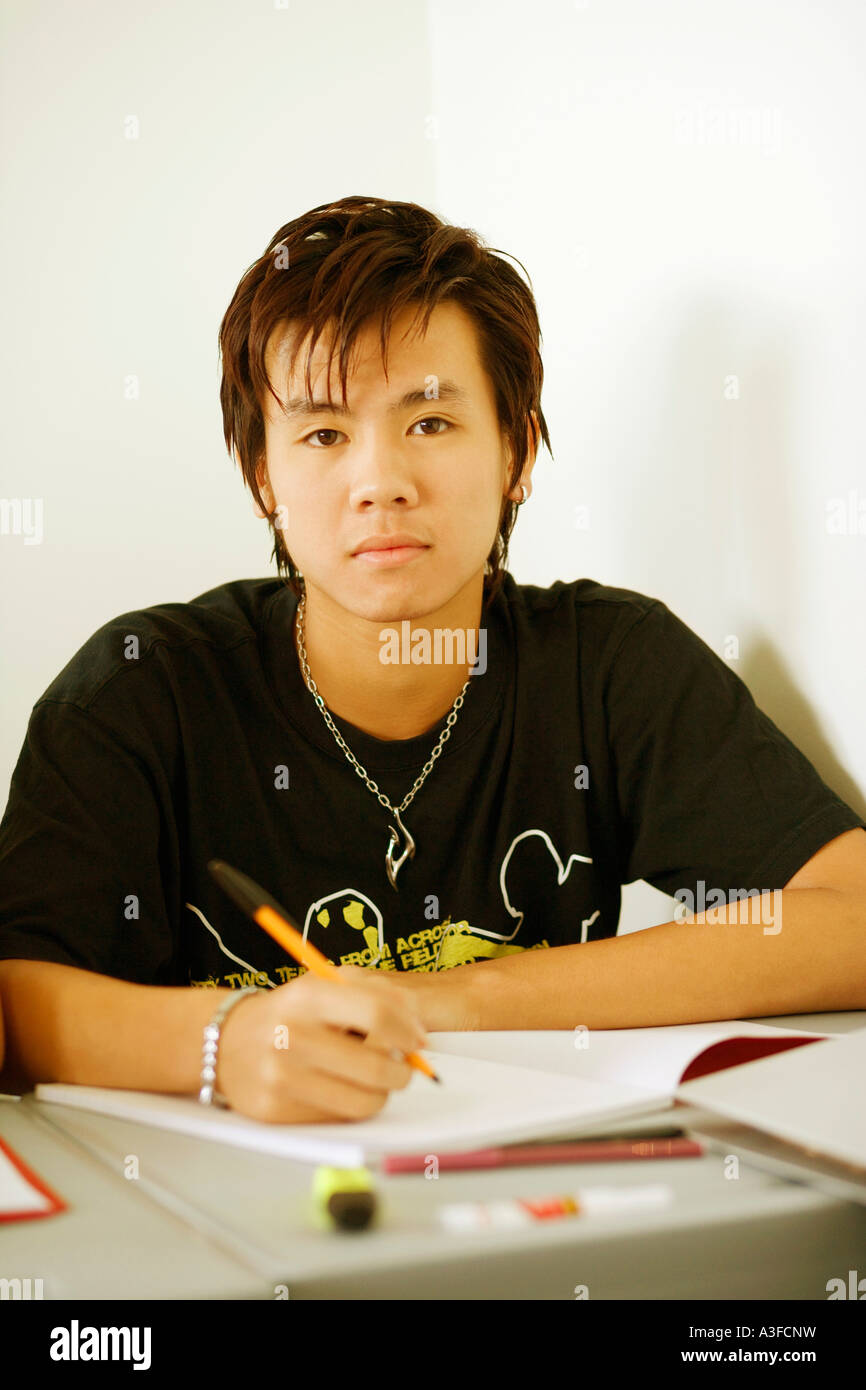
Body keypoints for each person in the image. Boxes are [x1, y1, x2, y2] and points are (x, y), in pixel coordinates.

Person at [1, 196, 864, 1124]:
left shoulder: (608, 663)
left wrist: (440, 1000)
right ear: (263, 477)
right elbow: (16, 1002)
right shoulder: (142, 689)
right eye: (324, 434)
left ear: (516, 452)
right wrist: (228, 1043)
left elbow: (849, 917)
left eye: (429, 423)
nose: (381, 484)